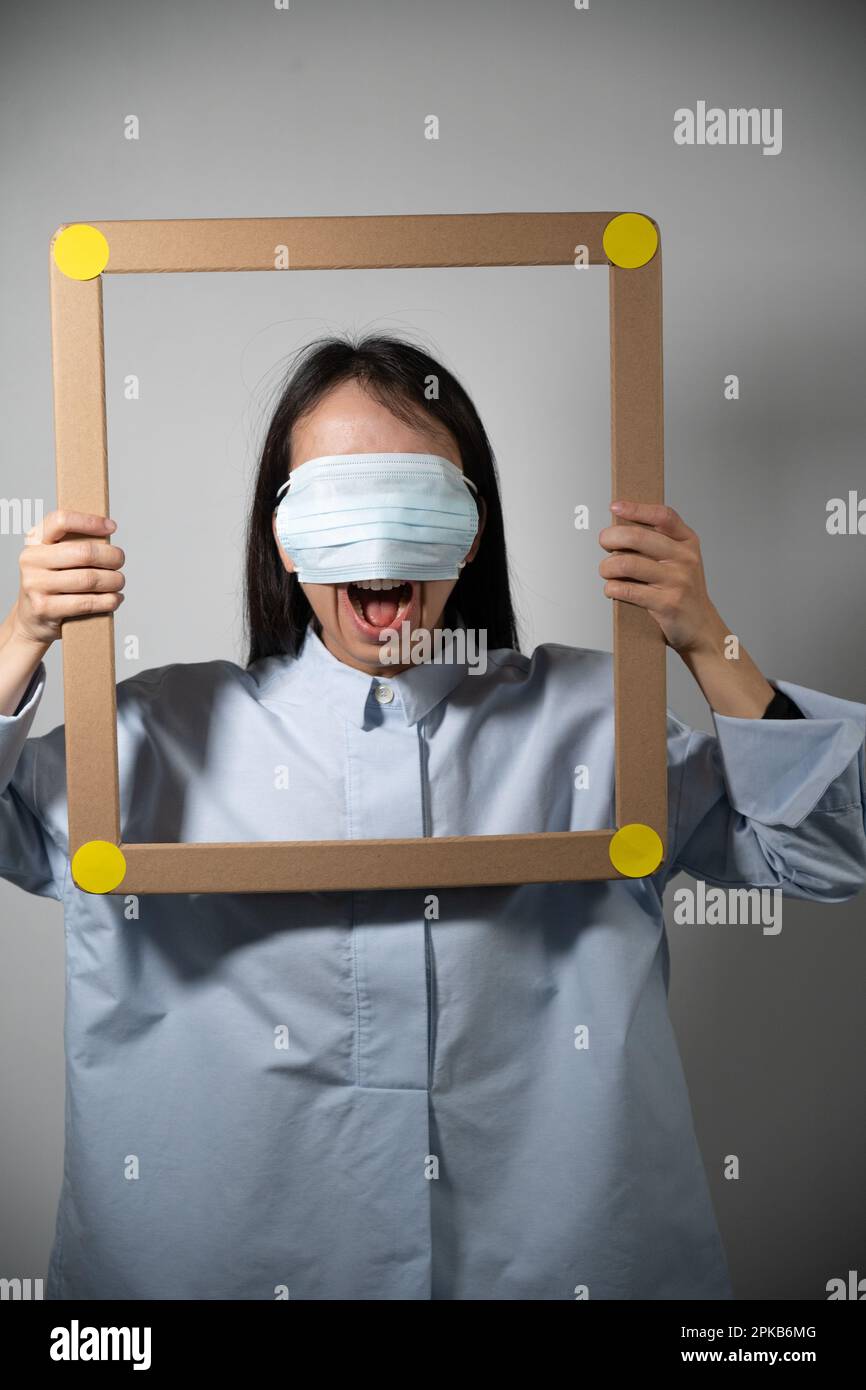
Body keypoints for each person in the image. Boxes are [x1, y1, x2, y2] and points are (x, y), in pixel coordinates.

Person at [1, 334, 864, 1301]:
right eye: (336, 501)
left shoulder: (592, 719)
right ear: (284, 540)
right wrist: (21, 640)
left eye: (414, 498)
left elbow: (827, 849)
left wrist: (710, 638)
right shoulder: (158, 733)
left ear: (473, 531)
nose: (376, 544)